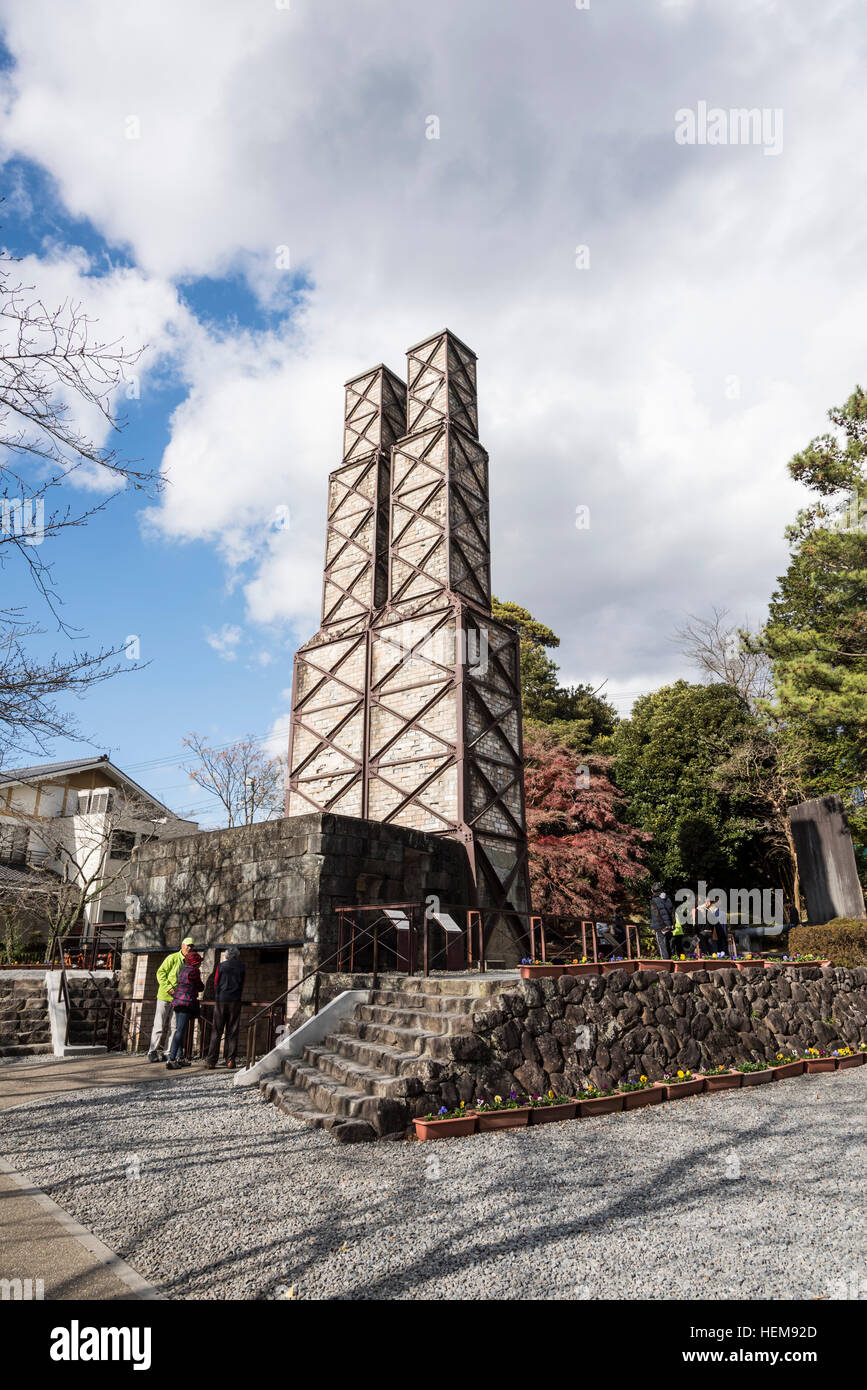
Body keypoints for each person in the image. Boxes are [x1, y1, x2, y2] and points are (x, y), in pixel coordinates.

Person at [147, 936, 194, 1061]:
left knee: (174, 1026)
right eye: (187, 945)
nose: (189, 948)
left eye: (191, 946)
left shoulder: (188, 962)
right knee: (159, 1025)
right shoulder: (172, 958)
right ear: (182, 946)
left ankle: (167, 1052)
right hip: (164, 996)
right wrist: (168, 988)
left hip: (178, 999)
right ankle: (152, 1051)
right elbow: (160, 973)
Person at [206, 945, 246, 1070]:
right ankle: (230, 1060)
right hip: (235, 1000)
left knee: (217, 1030)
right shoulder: (242, 967)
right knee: (232, 1031)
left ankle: (211, 1061)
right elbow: (242, 983)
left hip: (221, 1000)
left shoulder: (221, 966)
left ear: (227, 955)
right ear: (237, 955)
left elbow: (216, 982)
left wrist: (219, 993)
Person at [166, 950, 203, 1070]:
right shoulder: (194, 971)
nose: (200, 964)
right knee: (180, 1031)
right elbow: (200, 987)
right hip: (186, 1003)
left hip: (177, 1002)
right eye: (199, 962)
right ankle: (171, 1059)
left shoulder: (184, 970)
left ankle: (180, 1058)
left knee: (180, 1030)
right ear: (196, 962)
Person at [649, 883, 675, 959]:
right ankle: (673, 964)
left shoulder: (653, 900)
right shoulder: (668, 898)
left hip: (661, 927)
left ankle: (667, 966)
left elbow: (656, 914)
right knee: (670, 947)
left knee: (663, 948)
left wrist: (663, 926)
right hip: (669, 926)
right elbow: (673, 912)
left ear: (652, 890)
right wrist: (673, 924)